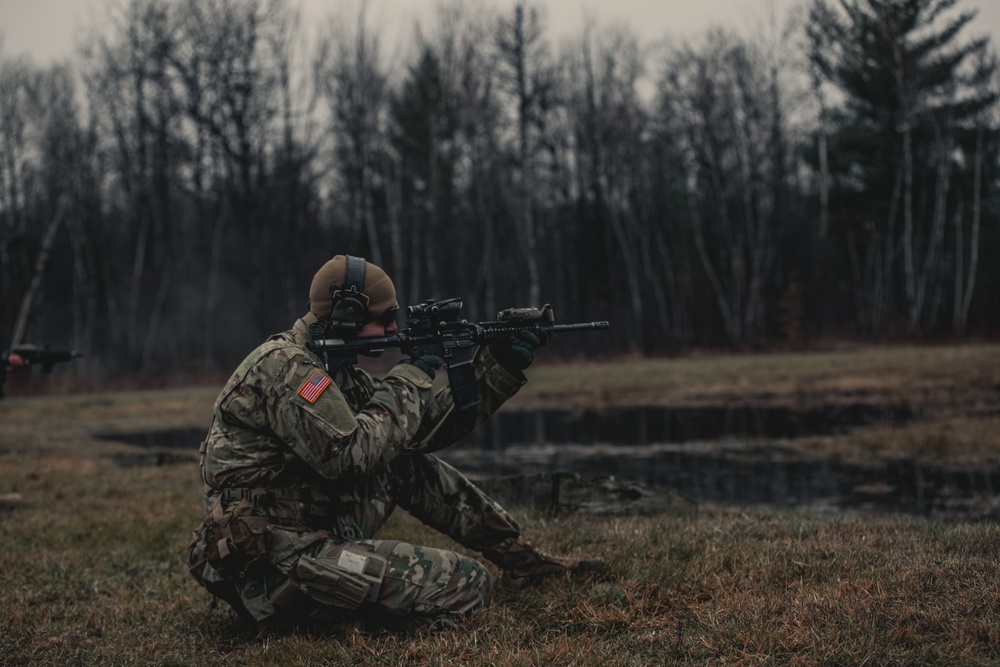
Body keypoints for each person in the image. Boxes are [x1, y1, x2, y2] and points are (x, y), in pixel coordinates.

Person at [188, 255, 600, 630]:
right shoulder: (287, 369)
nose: (391, 329)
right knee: (467, 585)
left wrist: (497, 368)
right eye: (384, 318)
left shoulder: (337, 368)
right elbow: (349, 456)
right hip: (273, 563)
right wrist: (413, 371)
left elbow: (410, 433)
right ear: (347, 316)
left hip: (306, 532)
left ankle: (523, 562)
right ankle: (338, 619)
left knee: (405, 461)